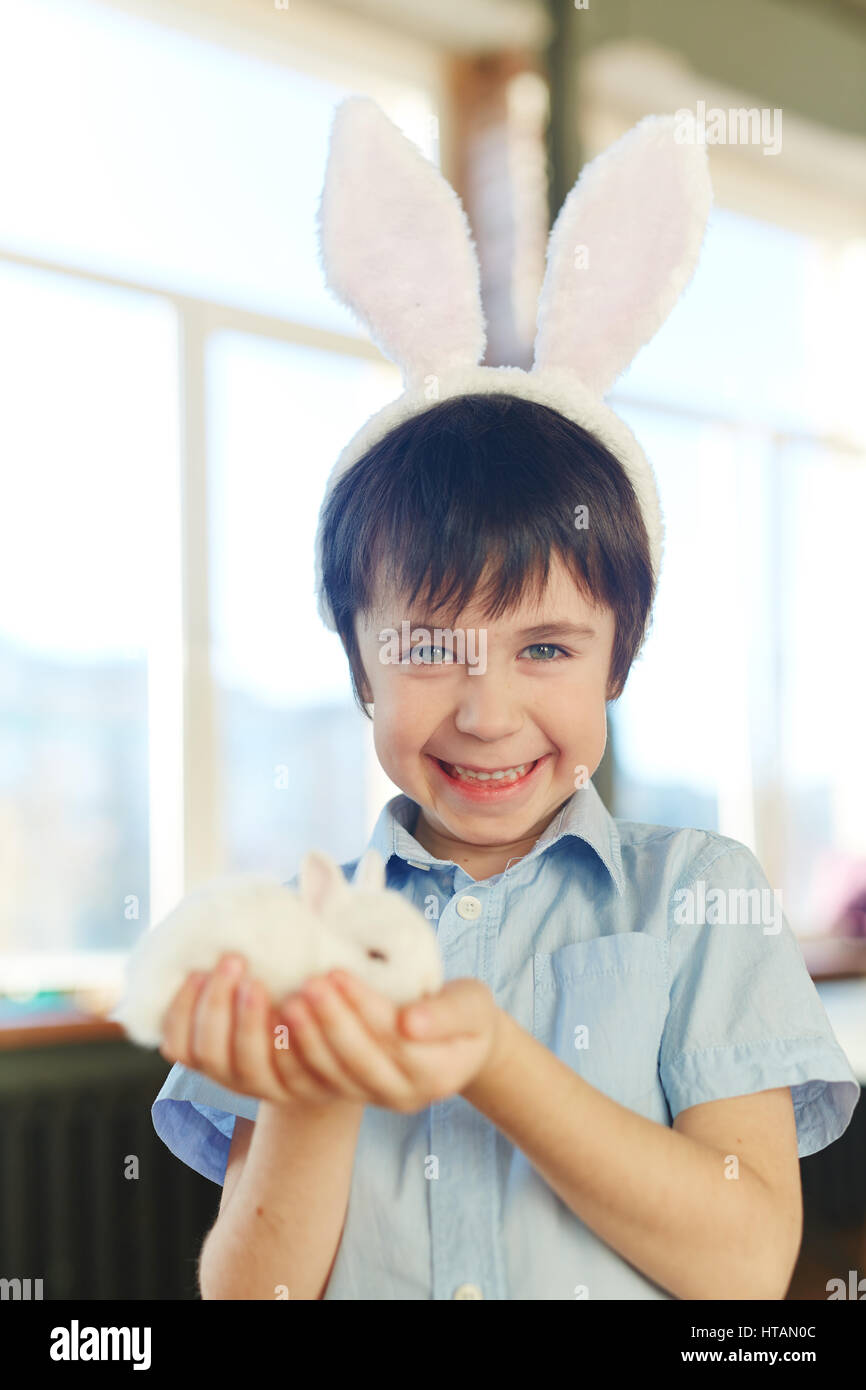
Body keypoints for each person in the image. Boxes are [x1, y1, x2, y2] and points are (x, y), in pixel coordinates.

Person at [150, 101, 860, 1301]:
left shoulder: (698, 895)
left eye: (544, 648)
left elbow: (743, 1263)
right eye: (429, 648)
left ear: (616, 664)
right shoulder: (292, 941)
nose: (485, 711)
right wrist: (319, 1082)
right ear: (358, 667)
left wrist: (493, 1056)